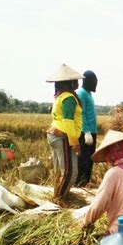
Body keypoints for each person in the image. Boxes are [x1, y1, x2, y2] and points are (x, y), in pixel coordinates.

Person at [46, 64, 84, 198]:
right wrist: (74, 142)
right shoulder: (68, 98)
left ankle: (57, 193)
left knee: (59, 170)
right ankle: (60, 199)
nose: (78, 82)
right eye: (75, 80)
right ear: (70, 82)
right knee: (69, 172)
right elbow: (68, 121)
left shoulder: (60, 96)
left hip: (54, 134)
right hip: (63, 136)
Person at [75, 70, 98, 187]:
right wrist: (86, 131)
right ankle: (79, 184)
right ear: (88, 81)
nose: (96, 84)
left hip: (92, 132)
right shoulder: (81, 93)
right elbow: (81, 113)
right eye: (94, 81)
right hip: (85, 133)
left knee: (90, 159)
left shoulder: (88, 93)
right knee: (83, 159)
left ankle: (85, 183)